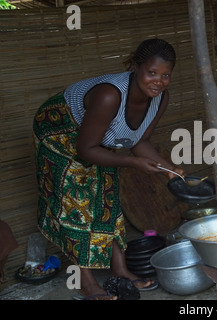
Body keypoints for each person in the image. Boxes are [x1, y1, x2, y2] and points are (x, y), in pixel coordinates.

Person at [33, 38, 183, 300]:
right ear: (135, 67)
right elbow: (86, 150)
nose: (158, 81)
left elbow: (140, 142)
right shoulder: (109, 94)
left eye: (165, 75)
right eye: (151, 73)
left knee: (106, 195)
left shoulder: (159, 98)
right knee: (76, 205)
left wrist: (170, 170)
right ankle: (86, 282)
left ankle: (120, 271)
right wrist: (131, 162)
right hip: (59, 134)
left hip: (95, 141)